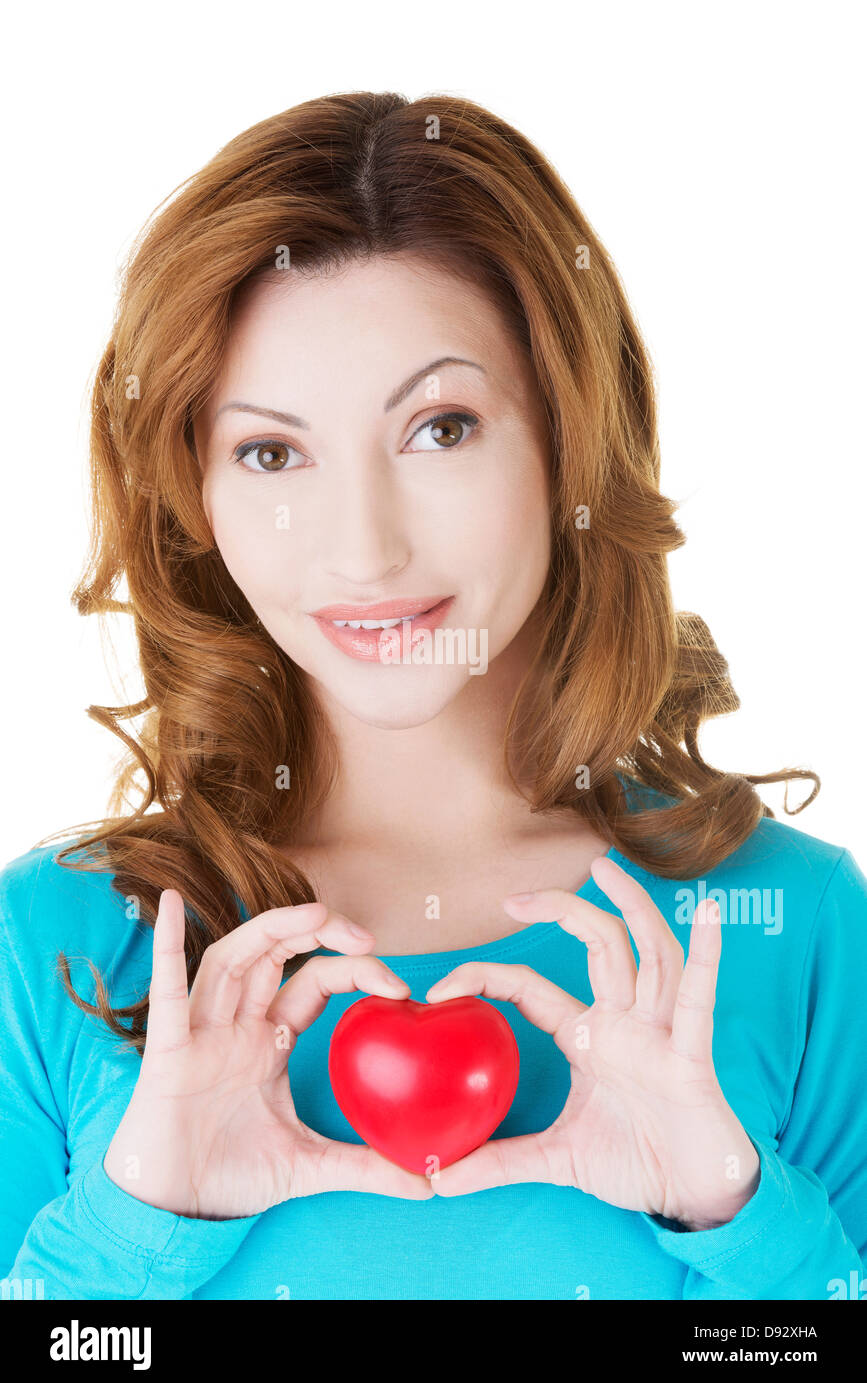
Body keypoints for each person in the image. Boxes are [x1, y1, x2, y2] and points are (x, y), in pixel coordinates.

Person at [1, 91, 864, 1301]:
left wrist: (736, 1216)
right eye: (270, 451)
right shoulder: (54, 940)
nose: (363, 550)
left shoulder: (793, 922)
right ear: (195, 494)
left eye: (441, 427)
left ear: (570, 441)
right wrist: (137, 1226)